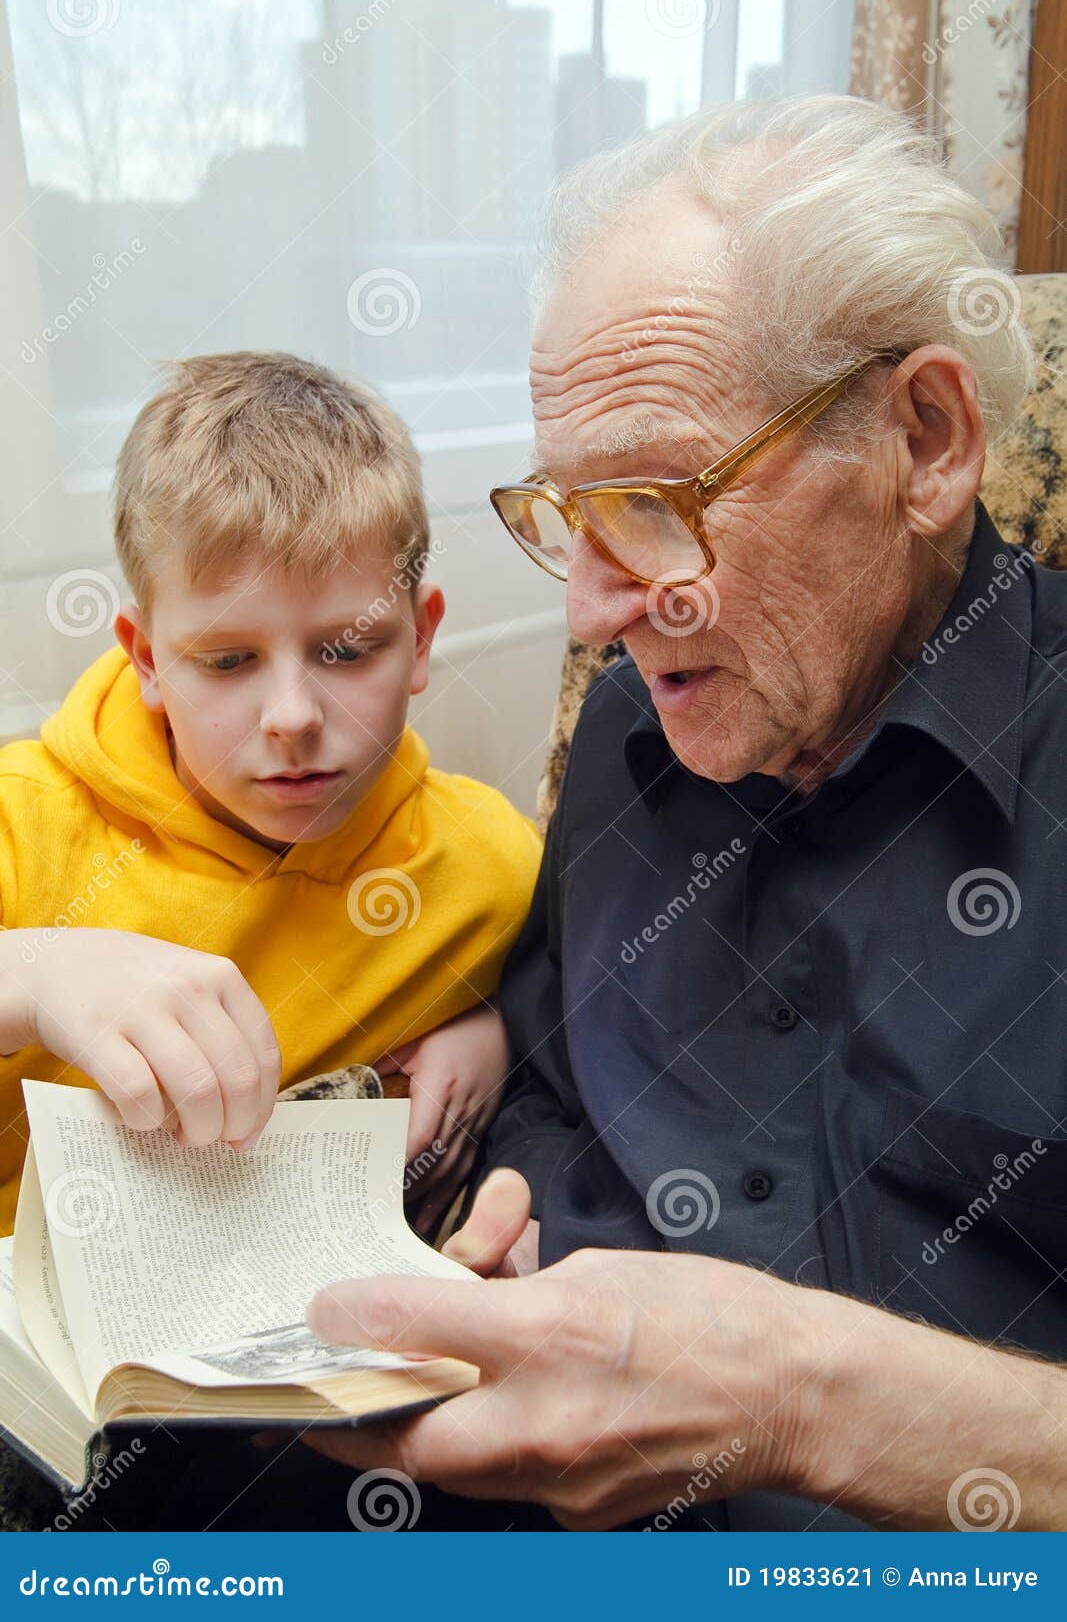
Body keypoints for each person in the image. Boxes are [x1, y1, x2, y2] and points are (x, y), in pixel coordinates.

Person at [303, 96, 1067, 1531]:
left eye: (653, 498)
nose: (589, 609)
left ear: (922, 439)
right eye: (565, 516)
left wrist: (802, 1396)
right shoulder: (632, 716)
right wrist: (512, 1193)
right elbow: (562, 1073)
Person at [0, 351, 541, 1238]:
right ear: (144, 658)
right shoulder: (23, 824)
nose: (292, 716)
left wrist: (498, 1030)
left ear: (420, 638)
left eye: (346, 650)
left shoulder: (490, 865)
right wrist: (38, 971)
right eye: (225, 661)